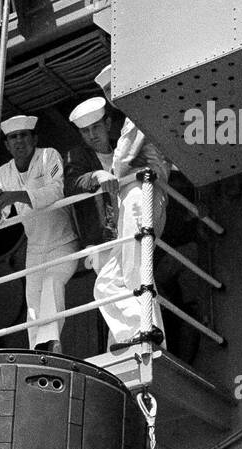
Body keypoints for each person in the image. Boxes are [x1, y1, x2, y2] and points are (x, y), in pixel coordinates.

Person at [86, 64, 172, 349]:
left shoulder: (141, 110)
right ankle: (135, 334)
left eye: (113, 87)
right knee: (107, 283)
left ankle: (150, 337)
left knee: (136, 270)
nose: (112, 96)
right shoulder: (129, 118)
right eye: (107, 91)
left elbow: (123, 160)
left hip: (142, 193)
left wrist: (108, 173)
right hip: (131, 197)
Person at [0, 114, 79, 354]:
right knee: (33, 301)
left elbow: (55, 191)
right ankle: (37, 351)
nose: (18, 141)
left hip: (63, 241)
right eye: (12, 137)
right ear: (7, 145)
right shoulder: (2, 173)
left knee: (52, 285)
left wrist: (15, 196)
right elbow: (1, 215)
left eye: (23, 135)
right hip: (35, 248)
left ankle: (52, 345)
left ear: (34, 138)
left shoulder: (48, 155)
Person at [65, 96, 119, 260]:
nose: (92, 134)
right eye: (85, 131)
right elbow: (70, 185)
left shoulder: (121, 147)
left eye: (96, 127)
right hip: (101, 239)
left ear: (107, 124)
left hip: (131, 226)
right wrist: (96, 176)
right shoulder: (76, 155)